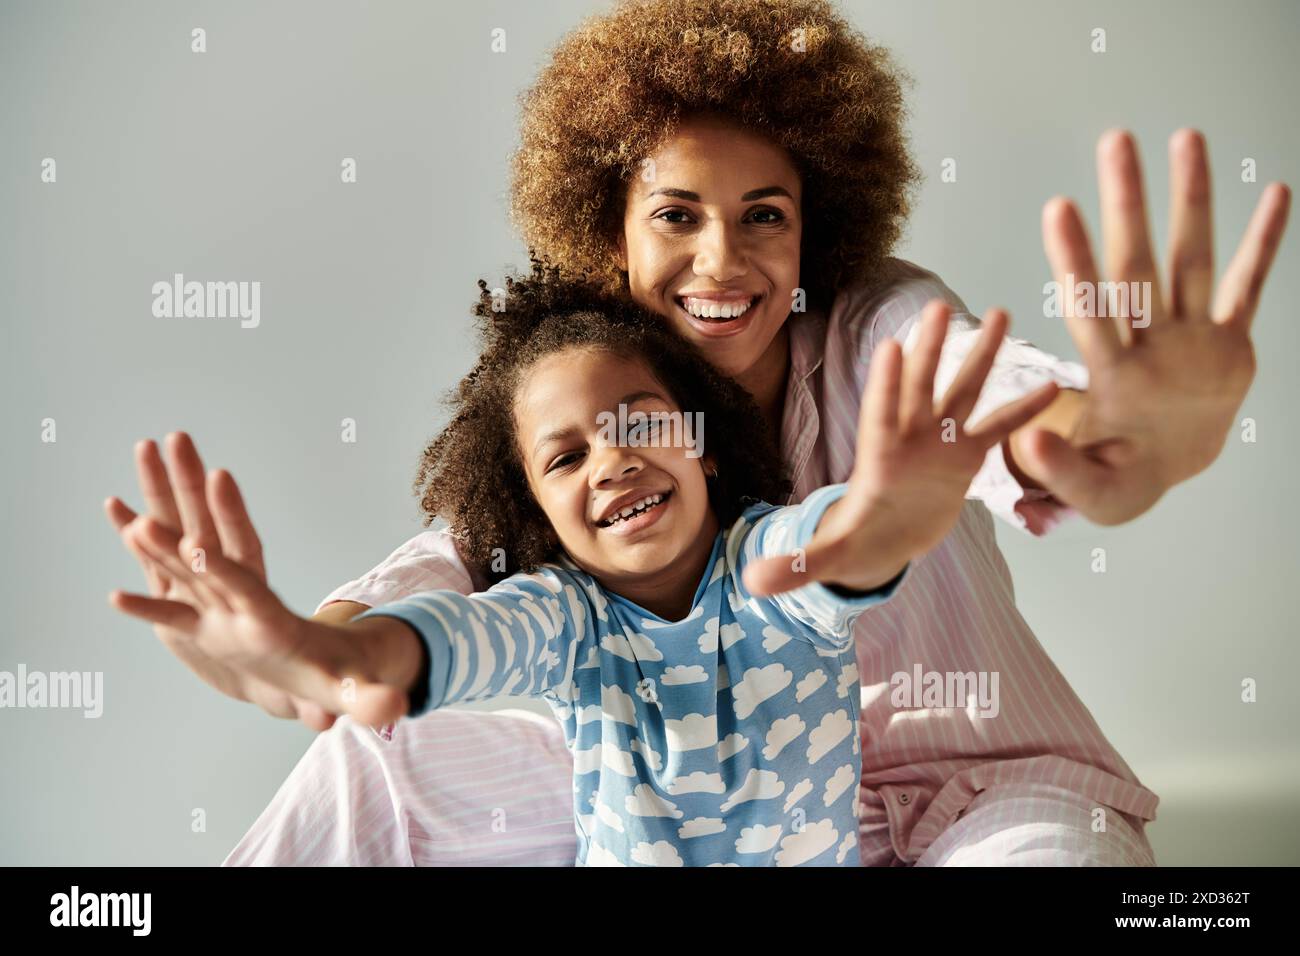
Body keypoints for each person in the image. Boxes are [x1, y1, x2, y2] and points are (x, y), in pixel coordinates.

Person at [105, 0, 1288, 866]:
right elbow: (448, 569)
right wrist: (304, 651)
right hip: (710, 809)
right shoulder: (592, 390)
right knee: (371, 752)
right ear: (610, 235)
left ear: (811, 234)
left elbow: (1011, 404)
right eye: (676, 215)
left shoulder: (877, 320)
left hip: (964, 787)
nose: (722, 262)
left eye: (762, 216)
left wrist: (1129, 433)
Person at [108, 269, 1062, 865]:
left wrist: (896, 505)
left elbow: (838, 548)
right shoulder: (563, 619)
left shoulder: (765, 562)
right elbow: (455, 643)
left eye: (641, 422)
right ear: (540, 514)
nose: (613, 461)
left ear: (708, 443)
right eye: (566, 459)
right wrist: (324, 652)